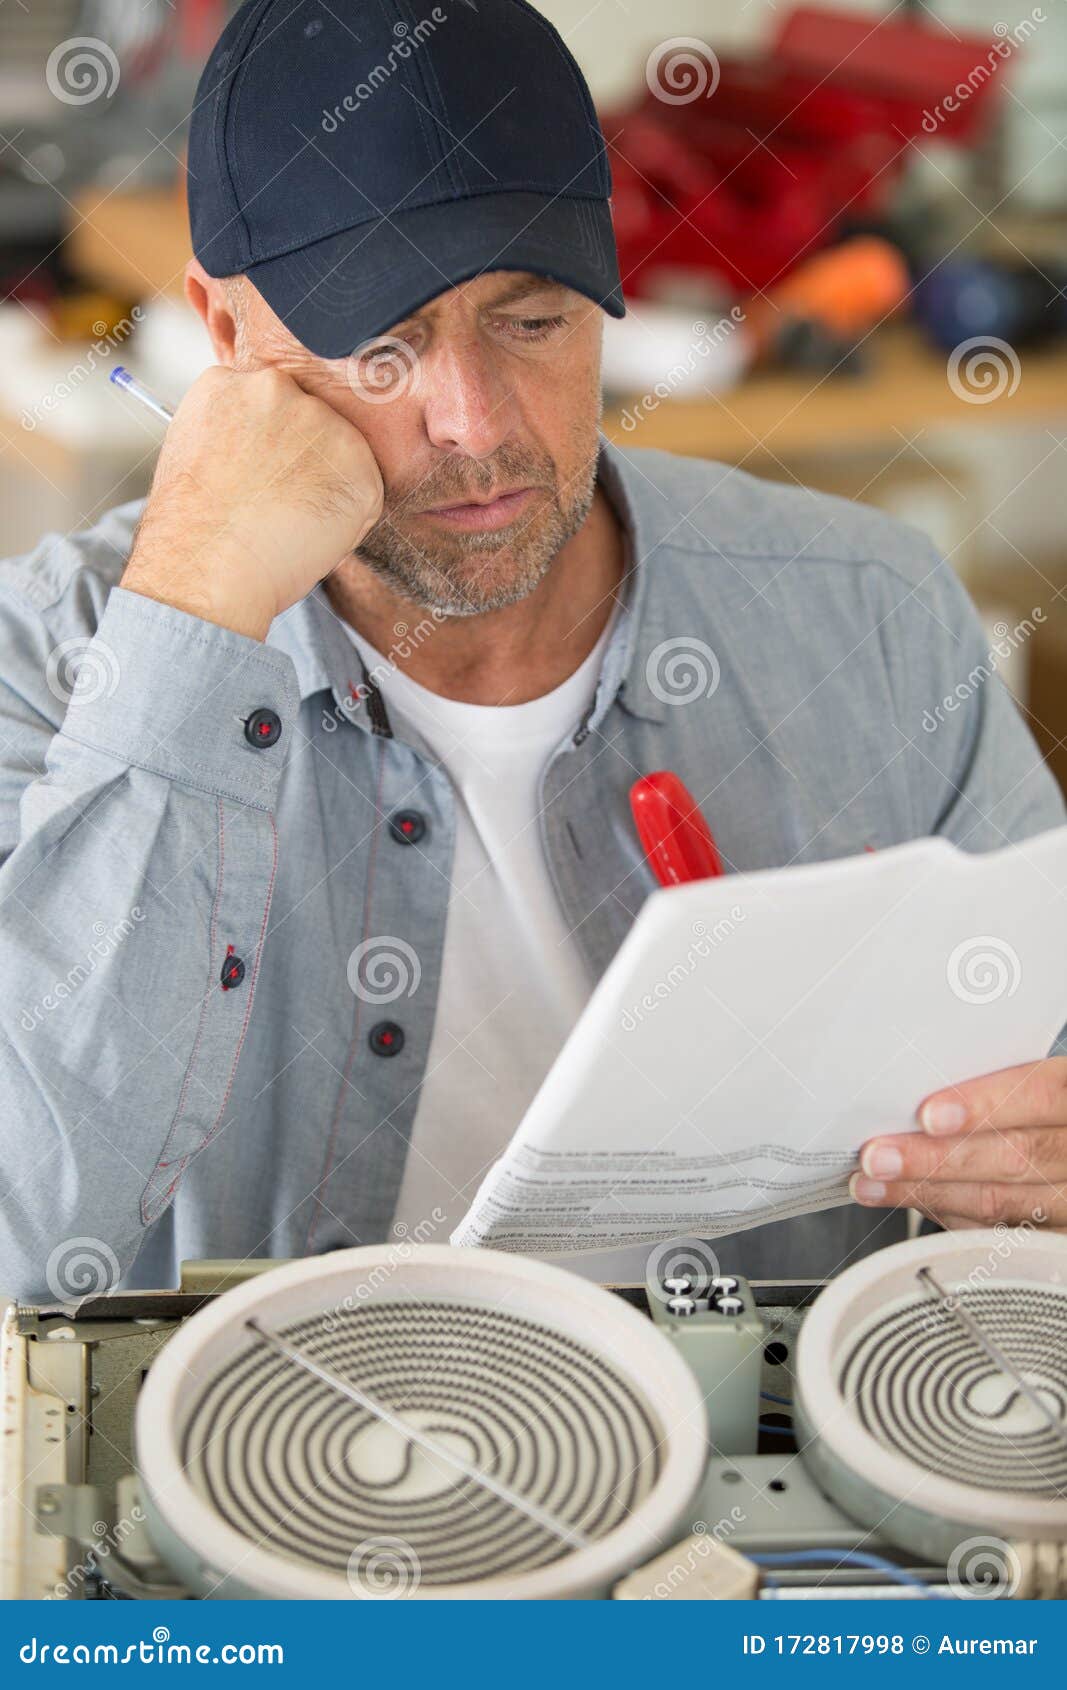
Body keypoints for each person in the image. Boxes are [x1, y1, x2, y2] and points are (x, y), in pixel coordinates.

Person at [1, 0, 1064, 1303]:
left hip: (762, 1483)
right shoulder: (48, 667)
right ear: (226, 336)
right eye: (384, 344)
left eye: (534, 320)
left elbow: (1037, 1089)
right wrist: (192, 609)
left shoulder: (875, 618)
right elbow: (28, 1236)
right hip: (244, 1476)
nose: (475, 425)